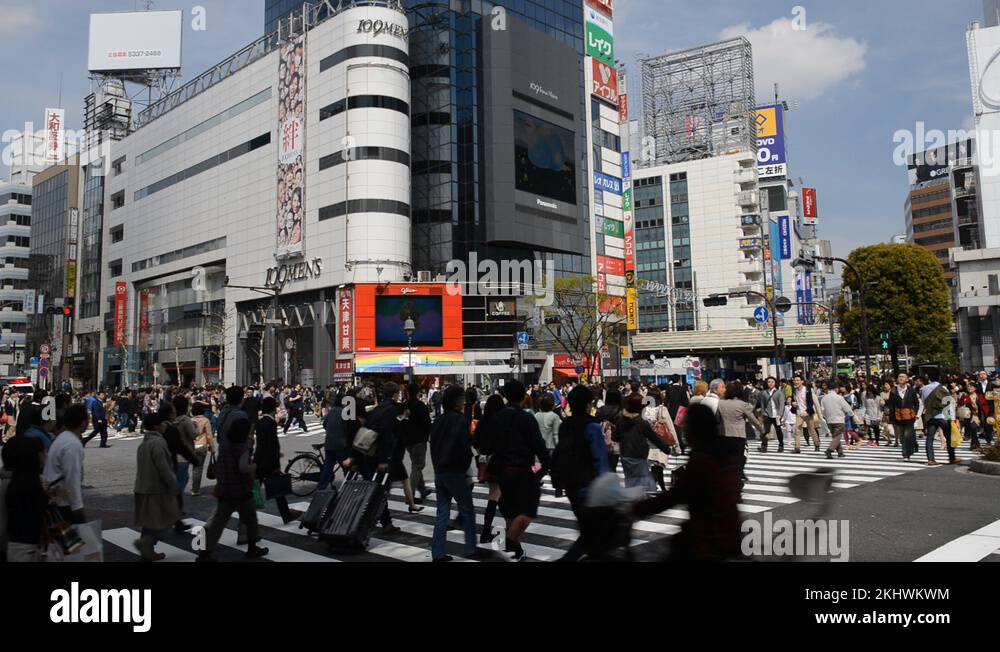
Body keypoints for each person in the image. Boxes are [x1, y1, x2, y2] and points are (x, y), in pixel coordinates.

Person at [632, 403, 742, 561]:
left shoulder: (701, 460)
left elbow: (674, 496)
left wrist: (636, 509)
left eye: (687, 426)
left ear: (696, 429)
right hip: (729, 531)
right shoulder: (721, 452)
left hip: (709, 536)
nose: (684, 430)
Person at [197, 386, 269, 561]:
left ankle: (205, 551)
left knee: (220, 518)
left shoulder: (222, 414)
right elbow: (244, 465)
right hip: (239, 480)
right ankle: (251, 546)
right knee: (249, 516)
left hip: (225, 467)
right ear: (241, 399)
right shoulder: (240, 418)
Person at [484, 380, 550, 561]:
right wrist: (543, 467)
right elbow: (538, 444)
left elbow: (488, 444)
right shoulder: (527, 418)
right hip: (521, 470)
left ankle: (515, 549)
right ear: (523, 397)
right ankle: (509, 544)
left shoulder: (497, 417)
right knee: (528, 510)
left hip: (502, 471)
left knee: (511, 511)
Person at [429, 385, 491, 561]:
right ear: (457, 402)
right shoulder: (460, 420)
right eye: (461, 400)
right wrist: (466, 470)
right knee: (467, 510)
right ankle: (470, 548)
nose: (463, 403)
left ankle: (438, 552)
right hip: (455, 471)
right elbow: (463, 446)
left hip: (439, 470)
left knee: (442, 512)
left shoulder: (438, 420)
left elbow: (433, 445)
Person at [551, 385, 610, 561]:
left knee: (590, 532)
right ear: (588, 404)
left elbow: (560, 451)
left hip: (571, 484)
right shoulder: (591, 426)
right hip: (590, 485)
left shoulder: (565, 425)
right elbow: (600, 459)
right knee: (593, 533)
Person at [133, 411, 180, 562]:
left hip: (143, 486)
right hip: (156, 489)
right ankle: (145, 544)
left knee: (150, 522)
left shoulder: (144, 443)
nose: (165, 425)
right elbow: (164, 468)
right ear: (156, 426)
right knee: (162, 521)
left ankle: (147, 552)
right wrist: (173, 485)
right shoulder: (159, 443)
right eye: (162, 423)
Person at [3, 435, 50, 562]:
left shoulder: (16, 482)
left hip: (17, 548)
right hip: (28, 550)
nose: (46, 455)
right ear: (34, 457)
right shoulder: (32, 484)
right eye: (43, 452)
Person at [614, 394, 672, 492]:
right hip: (638, 456)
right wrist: (666, 449)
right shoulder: (641, 423)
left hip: (625, 456)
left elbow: (616, 437)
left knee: (630, 480)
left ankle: (631, 500)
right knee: (644, 484)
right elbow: (654, 438)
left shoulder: (621, 421)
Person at [253, 397, 299, 523]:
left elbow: (262, 444)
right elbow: (273, 444)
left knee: (256, 489)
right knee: (278, 490)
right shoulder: (271, 423)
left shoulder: (261, 421)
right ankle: (286, 515)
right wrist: (276, 463)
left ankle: (286, 515)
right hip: (269, 462)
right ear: (273, 408)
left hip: (259, 460)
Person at [42, 404, 88, 524]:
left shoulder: (63, 438)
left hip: (56, 499)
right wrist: (78, 506)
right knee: (70, 541)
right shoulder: (72, 444)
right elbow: (72, 477)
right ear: (83, 423)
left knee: (60, 541)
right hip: (63, 504)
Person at [472, 394, 506, 543]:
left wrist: (482, 455)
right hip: (500, 462)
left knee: (496, 495)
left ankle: (487, 531)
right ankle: (487, 531)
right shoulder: (500, 422)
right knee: (497, 497)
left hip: (486, 463)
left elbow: (475, 442)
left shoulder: (483, 422)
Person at [717, 380, 761, 482]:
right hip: (738, 435)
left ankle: (729, 475)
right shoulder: (742, 404)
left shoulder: (720, 403)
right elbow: (753, 420)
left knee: (728, 456)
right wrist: (761, 430)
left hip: (723, 434)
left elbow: (717, 419)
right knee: (741, 456)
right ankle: (738, 474)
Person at [400, 382, 432, 503]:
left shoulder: (404, 406)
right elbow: (427, 423)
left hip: (408, 440)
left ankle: (422, 489)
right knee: (418, 466)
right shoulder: (420, 406)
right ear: (418, 392)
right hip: (419, 439)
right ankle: (411, 493)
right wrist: (429, 435)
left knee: (415, 464)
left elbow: (400, 421)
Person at [919, 372, 951, 467]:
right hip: (942, 416)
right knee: (948, 437)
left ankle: (931, 459)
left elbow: (924, 401)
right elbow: (948, 402)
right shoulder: (943, 388)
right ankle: (952, 457)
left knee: (929, 438)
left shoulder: (924, 388)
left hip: (930, 416)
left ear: (929, 379)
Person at [887, 373, 920, 462]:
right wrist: (891, 416)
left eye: (903, 377)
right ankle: (908, 449)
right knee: (902, 436)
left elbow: (916, 403)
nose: (900, 378)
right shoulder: (893, 391)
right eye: (899, 377)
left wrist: (914, 412)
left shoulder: (911, 390)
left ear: (907, 379)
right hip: (898, 416)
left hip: (909, 416)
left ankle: (906, 453)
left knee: (907, 435)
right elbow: (891, 405)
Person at [820, 383, 853, 459]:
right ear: (836, 389)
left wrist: (826, 417)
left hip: (829, 420)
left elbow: (823, 410)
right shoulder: (839, 398)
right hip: (839, 419)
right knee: (837, 437)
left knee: (835, 437)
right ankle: (829, 450)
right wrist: (851, 414)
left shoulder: (824, 399)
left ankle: (840, 452)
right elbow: (847, 408)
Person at [790, 376, 822, 453]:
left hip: (807, 413)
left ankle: (817, 444)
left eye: (797, 380)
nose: (796, 382)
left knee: (812, 430)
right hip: (799, 413)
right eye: (795, 380)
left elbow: (811, 403)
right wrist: (793, 404)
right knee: (797, 430)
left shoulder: (807, 390)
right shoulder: (794, 390)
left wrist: (807, 411)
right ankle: (797, 448)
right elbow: (792, 400)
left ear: (802, 381)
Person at [189, 403, 215, 496]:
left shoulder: (190, 420)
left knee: (192, 468)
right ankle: (195, 489)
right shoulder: (205, 420)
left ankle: (191, 487)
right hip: (201, 444)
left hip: (191, 446)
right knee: (198, 469)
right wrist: (212, 447)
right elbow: (209, 435)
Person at [596, 389, 622, 471]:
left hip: (602, 440)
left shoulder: (601, 409)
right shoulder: (620, 411)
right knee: (613, 465)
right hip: (616, 440)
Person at [756, 376, 785, 453]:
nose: (770, 383)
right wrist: (763, 413)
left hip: (777, 415)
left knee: (778, 431)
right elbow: (762, 404)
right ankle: (764, 446)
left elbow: (782, 404)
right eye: (769, 382)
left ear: (775, 383)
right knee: (765, 431)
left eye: (772, 382)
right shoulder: (764, 392)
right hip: (767, 414)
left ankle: (781, 445)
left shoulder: (779, 392)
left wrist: (780, 414)